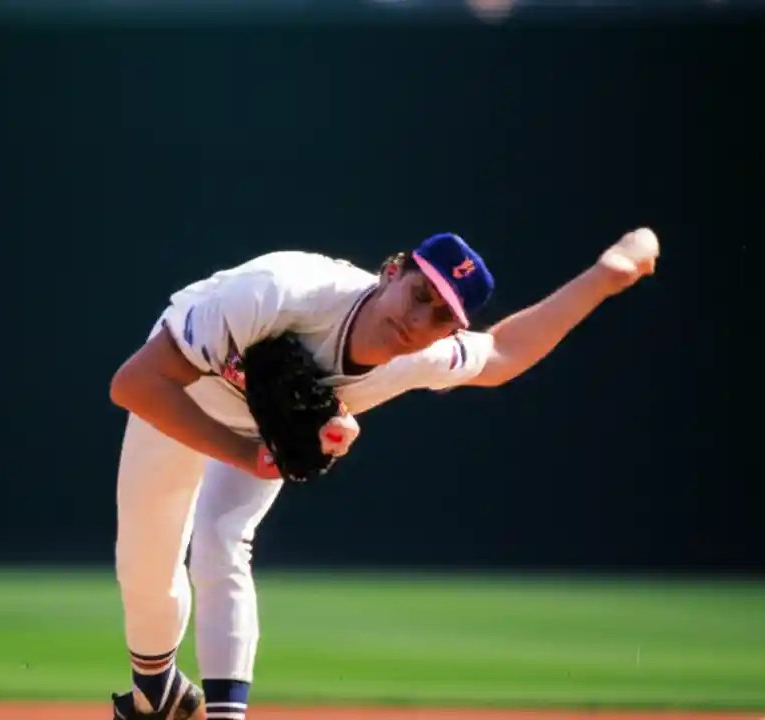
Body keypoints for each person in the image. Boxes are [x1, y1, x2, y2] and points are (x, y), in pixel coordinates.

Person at [107, 228, 660, 720]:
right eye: (419, 293)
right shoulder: (281, 289)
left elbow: (504, 353)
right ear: (392, 270)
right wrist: (241, 453)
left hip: (261, 430)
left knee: (222, 540)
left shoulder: (419, 356)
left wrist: (601, 279)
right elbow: (134, 383)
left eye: (441, 315)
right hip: (182, 389)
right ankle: (156, 689)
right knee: (144, 567)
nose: (418, 320)